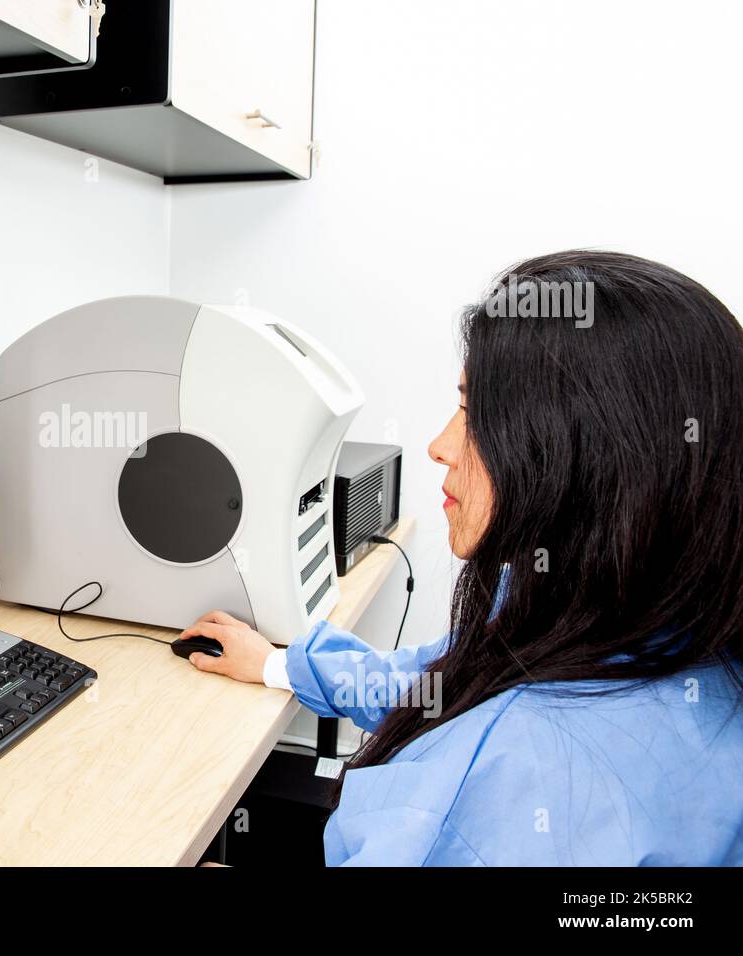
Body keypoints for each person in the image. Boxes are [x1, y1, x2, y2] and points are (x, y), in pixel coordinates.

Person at [182, 251, 743, 865]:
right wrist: (280, 668)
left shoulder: (516, 780)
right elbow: (446, 681)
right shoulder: (637, 621)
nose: (439, 445)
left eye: (475, 414)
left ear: (589, 459)